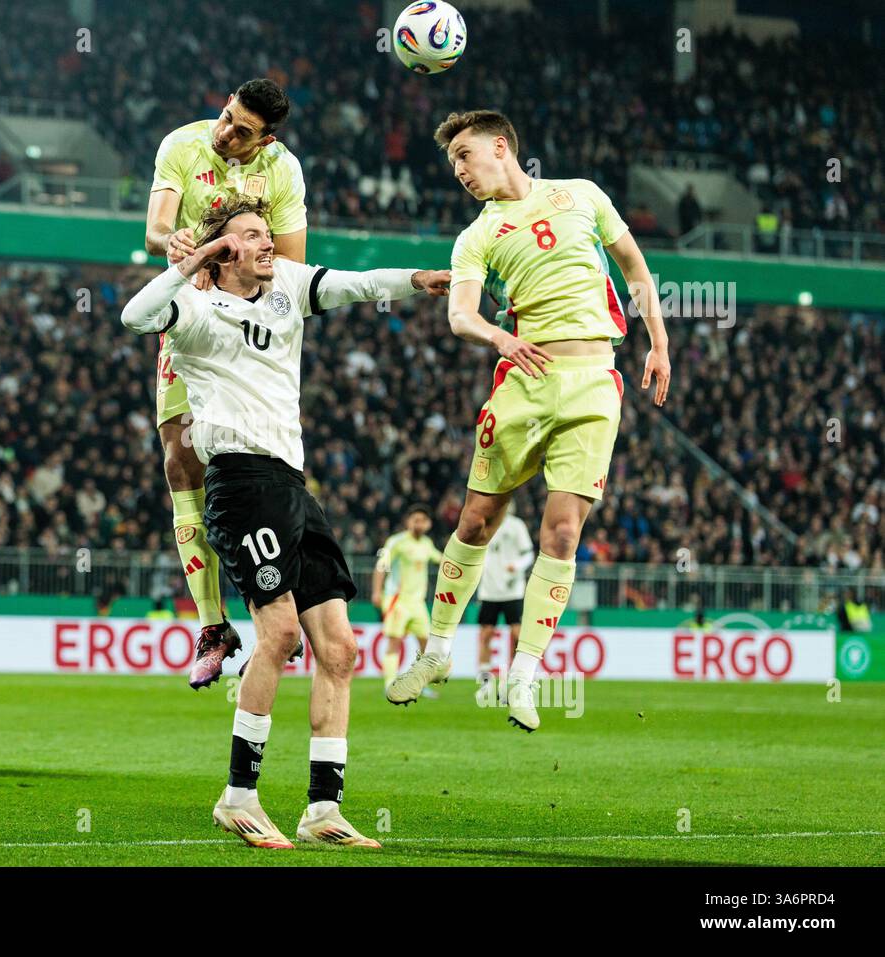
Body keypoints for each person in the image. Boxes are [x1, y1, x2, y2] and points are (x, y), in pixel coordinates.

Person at [122, 196, 449, 848]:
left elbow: (355, 285)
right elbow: (135, 315)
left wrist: (417, 280)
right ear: (222, 251)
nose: (267, 244)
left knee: (340, 647)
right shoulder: (192, 305)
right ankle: (238, 795)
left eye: (268, 233)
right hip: (239, 482)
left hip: (293, 484)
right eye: (250, 236)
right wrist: (193, 263)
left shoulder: (287, 287)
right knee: (280, 636)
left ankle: (322, 809)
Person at [387, 110, 671, 734]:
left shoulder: (583, 195)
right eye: (452, 162)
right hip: (524, 381)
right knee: (475, 520)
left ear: (500, 146)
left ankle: (525, 671)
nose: (459, 170)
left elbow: (635, 268)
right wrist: (498, 338)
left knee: (563, 534)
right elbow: (460, 316)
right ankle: (437, 651)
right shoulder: (476, 237)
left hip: (596, 384)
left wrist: (659, 340)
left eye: (465, 154)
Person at [143, 77, 308, 689]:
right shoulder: (183, 146)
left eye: (241, 130)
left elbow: (291, 263)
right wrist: (183, 246)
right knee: (179, 462)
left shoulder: (284, 173)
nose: (224, 132)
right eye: (225, 116)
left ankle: (280, 611)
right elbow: (156, 231)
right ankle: (213, 625)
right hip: (195, 320)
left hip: (260, 331)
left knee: (266, 461)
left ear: (268, 138)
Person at [371, 505, 444, 697]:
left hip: (417, 603)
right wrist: (376, 592)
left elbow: (441, 560)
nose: (419, 524)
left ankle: (419, 683)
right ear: (408, 522)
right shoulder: (396, 541)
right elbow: (381, 566)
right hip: (398, 600)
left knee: (426, 644)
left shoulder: (427, 543)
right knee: (395, 641)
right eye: (415, 520)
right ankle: (390, 684)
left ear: (428, 524)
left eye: (423, 520)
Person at [473, 500, 534, 704]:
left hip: (512, 590)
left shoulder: (516, 525)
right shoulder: (485, 524)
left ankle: (516, 678)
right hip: (489, 590)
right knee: (486, 633)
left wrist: (515, 566)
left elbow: (528, 554)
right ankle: (484, 680)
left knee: (517, 634)